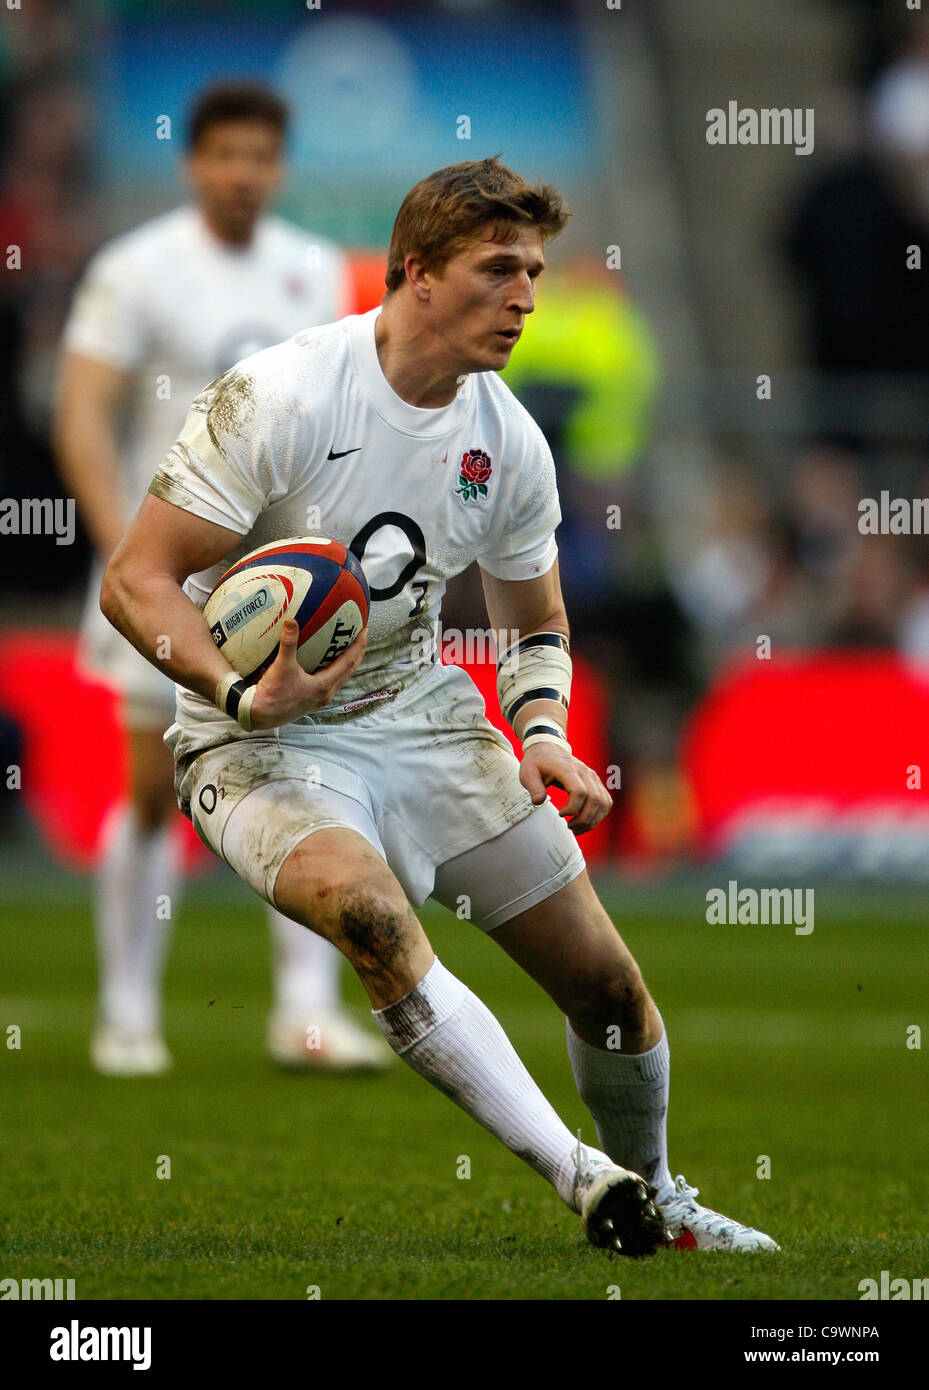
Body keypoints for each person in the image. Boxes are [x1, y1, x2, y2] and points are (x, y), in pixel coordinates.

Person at [99, 157, 778, 1253]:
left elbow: (537, 621)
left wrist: (545, 732)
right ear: (414, 273)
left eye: (534, 272)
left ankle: (662, 1194)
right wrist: (239, 688)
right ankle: (580, 1176)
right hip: (258, 741)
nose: (523, 297)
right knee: (369, 918)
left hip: (418, 712)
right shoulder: (278, 396)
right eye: (496, 269)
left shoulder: (507, 443)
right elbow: (134, 579)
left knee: (605, 988)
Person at [54, 80, 390, 1075]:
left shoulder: (316, 268)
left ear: (280, 166)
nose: (243, 174)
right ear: (192, 161)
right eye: (225, 156)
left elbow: (336, 413)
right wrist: (129, 553)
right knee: (154, 789)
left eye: (260, 157)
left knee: (302, 770)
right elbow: (81, 412)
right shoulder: (136, 268)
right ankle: (125, 1010)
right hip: (163, 568)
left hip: (280, 575)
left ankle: (305, 1012)